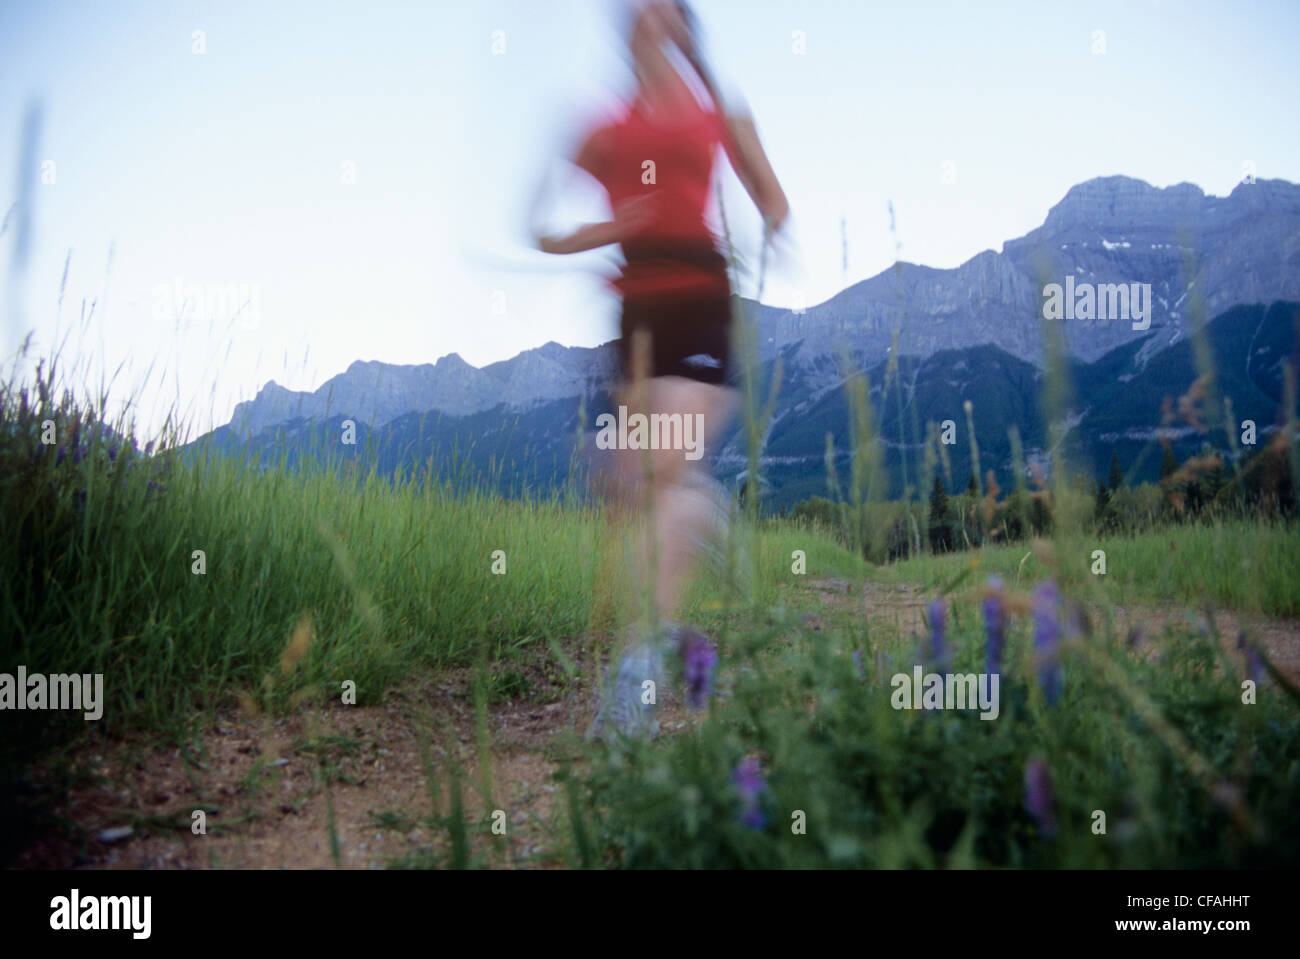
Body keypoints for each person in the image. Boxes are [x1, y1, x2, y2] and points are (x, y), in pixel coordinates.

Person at [531, 0, 789, 738]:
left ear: (680, 25)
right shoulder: (604, 128)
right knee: (625, 482)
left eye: (664, 5)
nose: (647, 12)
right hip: (632, 322)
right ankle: (706, 513)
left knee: (659, 468)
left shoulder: (717, 113)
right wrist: (612, 227)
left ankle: (637, 677)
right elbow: (540, 232)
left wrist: (772, 220)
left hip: (702, 304)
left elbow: (774, 199)